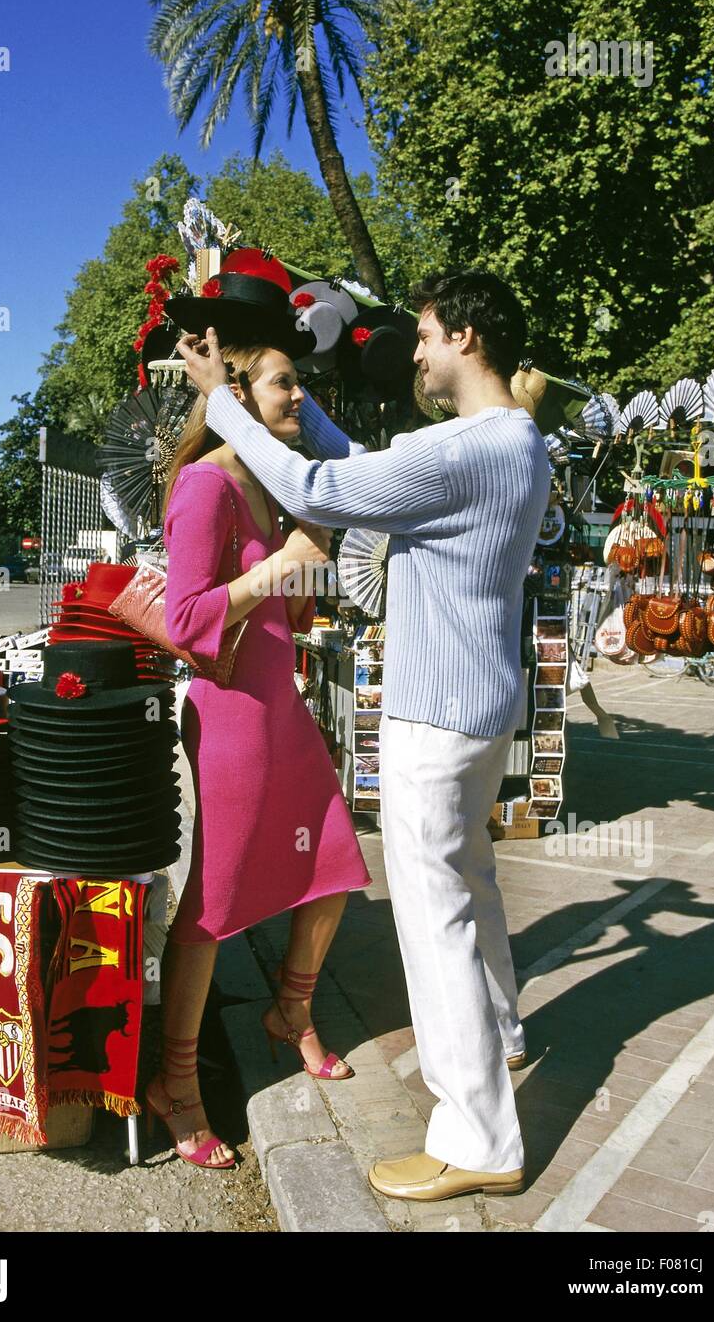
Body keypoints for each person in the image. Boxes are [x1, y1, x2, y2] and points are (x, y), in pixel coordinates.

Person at [184, 270, 551, 1202]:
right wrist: (286, 421)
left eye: (426, 334)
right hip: (481, 704)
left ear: (464, 336)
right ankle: (503, 1038)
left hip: (435, 712)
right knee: (471, 879)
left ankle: (476, 1138)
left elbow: (322, 487)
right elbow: (372, 468)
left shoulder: (466, 447)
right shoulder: (510, 438)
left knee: (436, 926)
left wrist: (221, 406)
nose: (415, 351)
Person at [144, 334, 372, 1170]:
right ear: (233, 395)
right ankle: (175, 1081)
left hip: (282, 710)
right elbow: (187, 620)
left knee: (337, 867)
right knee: (215, 900)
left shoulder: (266, 488)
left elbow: (285, 602)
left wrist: (300, 562)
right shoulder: (207, 485)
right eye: (284, 384)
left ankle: (292, 1012)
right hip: (233, 716)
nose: (296, 397)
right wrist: (281, 565)